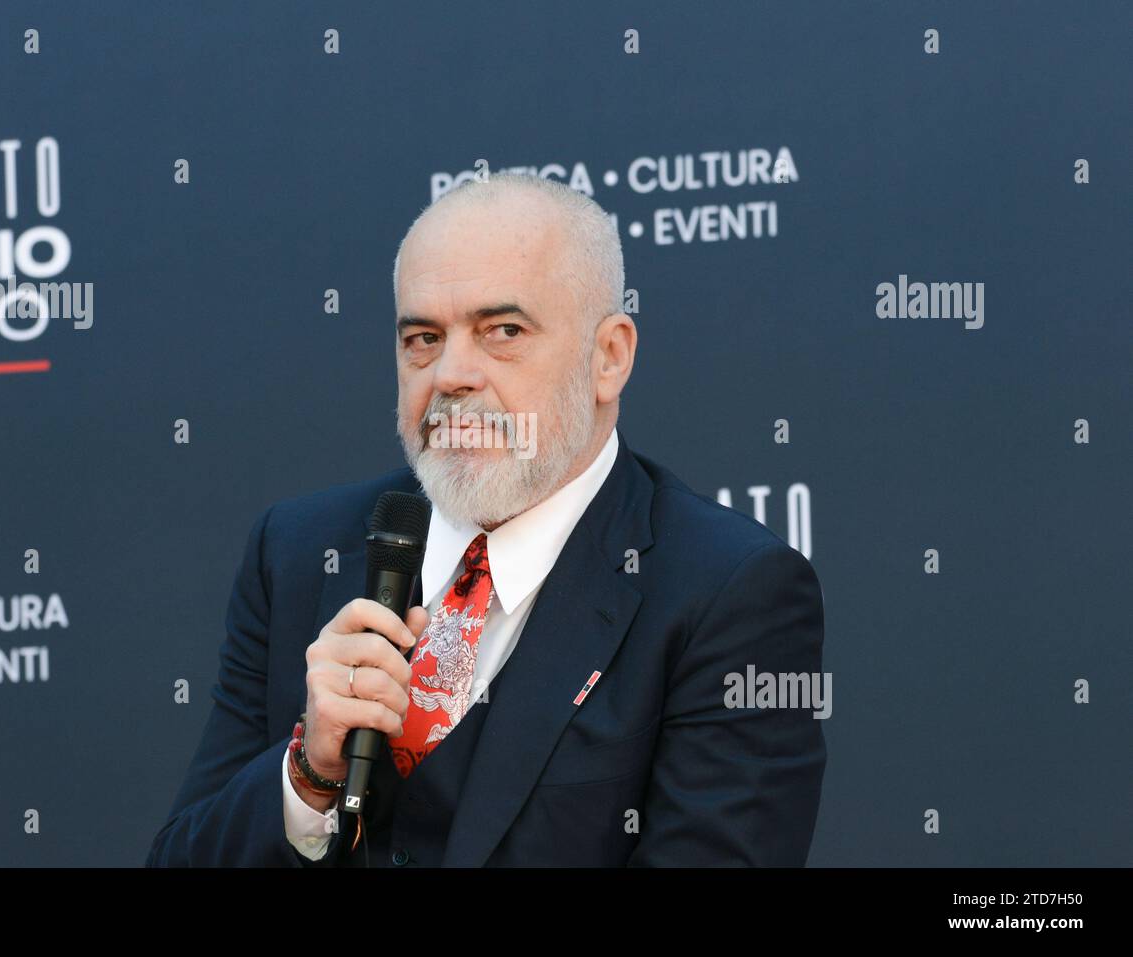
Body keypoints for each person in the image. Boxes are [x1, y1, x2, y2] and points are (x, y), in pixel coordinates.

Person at [146, 172, 827, 867]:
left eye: (503, 330)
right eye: (422, 338)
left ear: (609, 356)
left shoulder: (727, 592)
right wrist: (307, 774)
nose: (450, 374)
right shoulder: (297, 552)